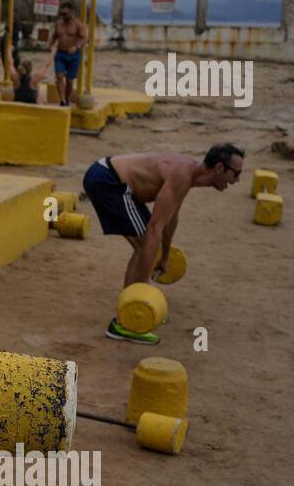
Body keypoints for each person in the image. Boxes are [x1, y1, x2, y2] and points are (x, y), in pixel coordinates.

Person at [82, 144, 244, 344]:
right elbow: (155, 229)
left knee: (146, 243)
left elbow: (171, 219)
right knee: (144, 243)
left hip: (115, 182)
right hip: (106, 180)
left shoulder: (188, 175)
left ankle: (132, 307)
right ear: (220, 168)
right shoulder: (182, 175)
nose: (237, 180)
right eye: (236, 174)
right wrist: (145, 285)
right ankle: (125, 320)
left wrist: (165, 256)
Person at [52, 0, 87, 107]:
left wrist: (77, 46)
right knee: (59, 76)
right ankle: (62, 100)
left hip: (73, 55)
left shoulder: (78, 24)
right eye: (61, 13)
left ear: (71, 12)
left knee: (69, 80)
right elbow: (55, 35)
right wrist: (50, 43)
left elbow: (84, 38)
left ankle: (66, 99)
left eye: (65, 13)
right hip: (60, 54)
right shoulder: (58, 23)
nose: (63, 16)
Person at [4, 39, 53, 104]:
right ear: (30, 70)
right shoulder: (34, 80)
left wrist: (9, 50)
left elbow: (10, 63)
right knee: (42, 98)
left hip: (18, 103)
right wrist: (53, 52)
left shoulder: (15, 78)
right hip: (32, 106)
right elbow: (47, 64)